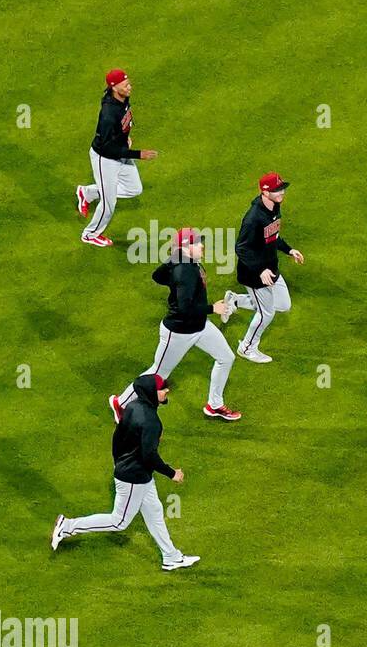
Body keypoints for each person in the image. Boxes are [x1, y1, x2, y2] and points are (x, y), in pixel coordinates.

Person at [51, 374, 199, 571]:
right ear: (150, 393)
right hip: (133, 478)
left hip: (136, 473)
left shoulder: (133, 407)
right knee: (119, 522)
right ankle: (67, 526)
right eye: (162, 388)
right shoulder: (151, 421)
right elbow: (149, 456)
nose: (167, 391)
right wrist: (172, 473)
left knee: (154, 512)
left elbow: (117, 438)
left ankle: (171, 557)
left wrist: (119, 461)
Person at [110, 228, 240, 423]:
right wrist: (214, 308)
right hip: (178, 332)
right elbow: (184, 307)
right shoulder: (184, 270)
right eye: (196, 243)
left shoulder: (185, 262)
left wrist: (174, 276)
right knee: (158, 373)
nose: (201, 245)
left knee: (226, 357)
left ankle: (214, 405)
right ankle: (121, 403)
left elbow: (158, 276)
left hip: (200, 326)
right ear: (185, 248)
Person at [221, 172, 305, 363]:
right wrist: (260, 270)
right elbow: (241, 248)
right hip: (255, 275)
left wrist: (289, 250)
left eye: (281, 188)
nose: (281, 192)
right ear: (264, 193)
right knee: (266, 313)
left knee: (283, 305)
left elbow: (273, 235)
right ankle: (247, 348)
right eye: (276, 190)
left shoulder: (275, 207)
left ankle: (234, 301)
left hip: (271, 268)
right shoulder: (253, 218)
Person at [76, 69, 158, 247]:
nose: (130, 87)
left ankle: (87, 193)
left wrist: (124, 138)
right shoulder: (108, 114)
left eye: (129, 83)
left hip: (119, 153)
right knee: (109, 202)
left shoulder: (122, 99)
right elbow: (107, 147)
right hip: (104, 158)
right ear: (114, 87)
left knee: (134, 188)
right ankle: (90, 234)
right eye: (125, 85)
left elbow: (123, 125)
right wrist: (138, 154)